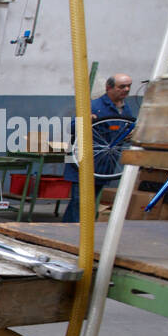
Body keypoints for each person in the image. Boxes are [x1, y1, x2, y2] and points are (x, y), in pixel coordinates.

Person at [63, 72, 135, 223]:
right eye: (122, 87)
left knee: (87, 202)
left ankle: (67, 231)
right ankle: (76, 236)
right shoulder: (94, 106)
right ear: (109, 87)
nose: (126, 90)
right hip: (84, 161)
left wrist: (128, 136)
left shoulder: (126, 110)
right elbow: (71, 129)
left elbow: (121, 133)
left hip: (104, 166)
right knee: (80, 202)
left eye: (129, 86)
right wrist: (84, 122)